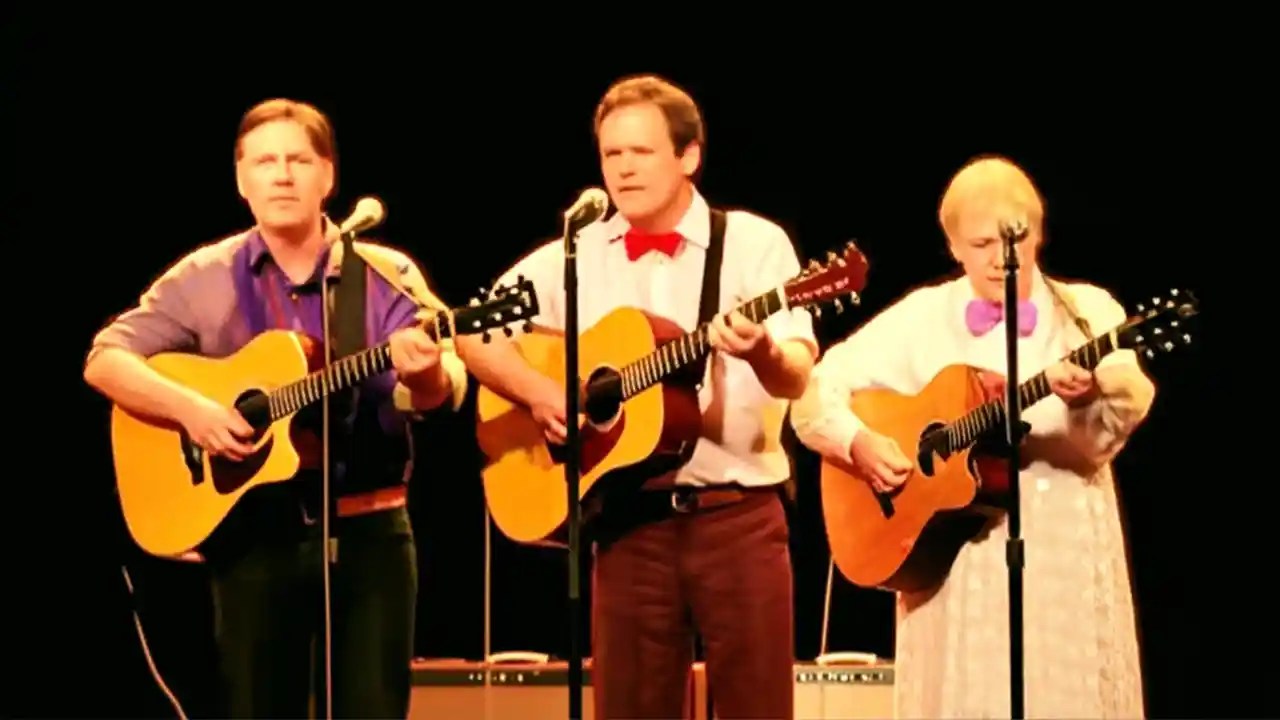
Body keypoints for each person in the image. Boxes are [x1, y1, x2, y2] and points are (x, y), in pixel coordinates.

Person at [83, 98, 468, 718]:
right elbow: (105, 359)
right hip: (253, 537)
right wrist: (192, 411)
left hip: (370, 533)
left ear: (329, 177)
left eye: (298, 159)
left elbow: (440, 386)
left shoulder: (383, 270)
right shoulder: (204, 275)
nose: (282, 174)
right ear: (241, 179)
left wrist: (427, 373)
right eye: (265, 161)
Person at [456, 74, 818, 719]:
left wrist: (760, 350)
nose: (623, 169)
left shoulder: (755, 244)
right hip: (626, 524)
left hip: (737, 516)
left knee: (757, 705)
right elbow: (472, 329)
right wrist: (542, 393)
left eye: (641, 152)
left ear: (689, 157)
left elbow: (795, 373)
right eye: (611, 155)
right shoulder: (577, 250)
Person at [790, 154, 1155, 718]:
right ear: (953, 247)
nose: (1000, 259)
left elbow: (1110, 430)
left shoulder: (1086, 310)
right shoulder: (922, 316)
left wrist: (1086, 398)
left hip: (1062, 547)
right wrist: (859, 442)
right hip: (955, 564)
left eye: (1015, 240)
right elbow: (815, 392)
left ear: (1038, 234)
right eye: (980, 244)